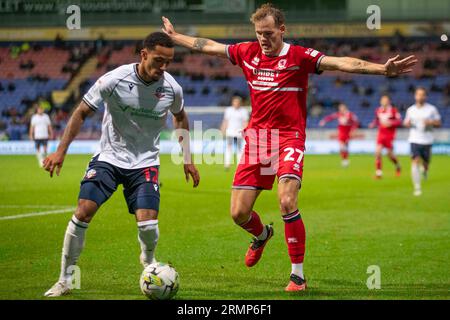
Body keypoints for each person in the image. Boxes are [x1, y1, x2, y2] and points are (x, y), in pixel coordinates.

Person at [162, 3, 416, 292]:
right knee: (238, 214)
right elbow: (207, 46)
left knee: (286, 201)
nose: (263, 39)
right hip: (258, 140)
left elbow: (342, 62)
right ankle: (262, 235)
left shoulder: (299, 56)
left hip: (289, 138)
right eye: (259, 33)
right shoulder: (247, 52)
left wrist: (383, 70)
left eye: (269, 33)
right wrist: (175, 37)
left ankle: (298, 276)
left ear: (282, 30)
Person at [42, 32, 200, 297]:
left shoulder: (172, 88)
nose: (163, 67)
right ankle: (65, 280)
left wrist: (188, 159)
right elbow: (81, 111)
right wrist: (60, 151)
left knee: (148, 224)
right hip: (109, 158)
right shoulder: (114, 80)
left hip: (145, 162)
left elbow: (181, 118)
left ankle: (148, 261)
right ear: (144, 55)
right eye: (159, 61)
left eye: (168, 62)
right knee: (83, 212)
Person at [403, 87, 441, 196]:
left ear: (425, 96)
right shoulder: (411, 110)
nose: (420, 97)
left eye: (422, 95)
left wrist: (431, 122)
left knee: (425, 164)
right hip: (414, 139)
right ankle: (417, 187)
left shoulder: (431, 109)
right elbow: (406, 123)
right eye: (418, 94)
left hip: (427, 140)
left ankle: (424, 170)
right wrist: (408, 124)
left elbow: (438, 123)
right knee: (415, 161)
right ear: (415, 96)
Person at [369, 95, 402, 179]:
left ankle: (397, 165)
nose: (384, 102)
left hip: (389, 135)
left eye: (386, 100)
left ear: (389, 101)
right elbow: (377, 119)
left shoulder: (393, 110)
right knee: (377, 152)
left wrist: (391, 123)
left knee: (389, 155)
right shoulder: (378, 110)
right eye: (383, 100)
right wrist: (373, 124)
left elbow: (399, 121)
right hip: (381, 134)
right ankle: (379, 173)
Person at [319, 103, 359, 167]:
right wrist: (324, 121)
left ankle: (345, 159)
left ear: (345, 108)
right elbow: (331, 117)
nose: (340, 109)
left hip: (347, 132)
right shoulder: (339, 114)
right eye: (340, 108)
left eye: (342, 107)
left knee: (345, 147)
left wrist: (353, 130)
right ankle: (344, 160)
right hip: (341, 131)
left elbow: (356, 122)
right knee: (341, 147)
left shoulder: (350, 114)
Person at [220, 96, 249, 170]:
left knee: (240, 149)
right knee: (228, 148)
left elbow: (245, 122)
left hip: (239, 132)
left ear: (240, 103)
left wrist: (245, 132)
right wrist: (223, 129)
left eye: (237, 102)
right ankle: (227, 164)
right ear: (232, 102)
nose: (236, 103)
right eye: (235, 102)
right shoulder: (228, 110)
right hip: (230, 131)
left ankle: (239, 165)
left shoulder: (244, 111)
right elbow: (225, 121)